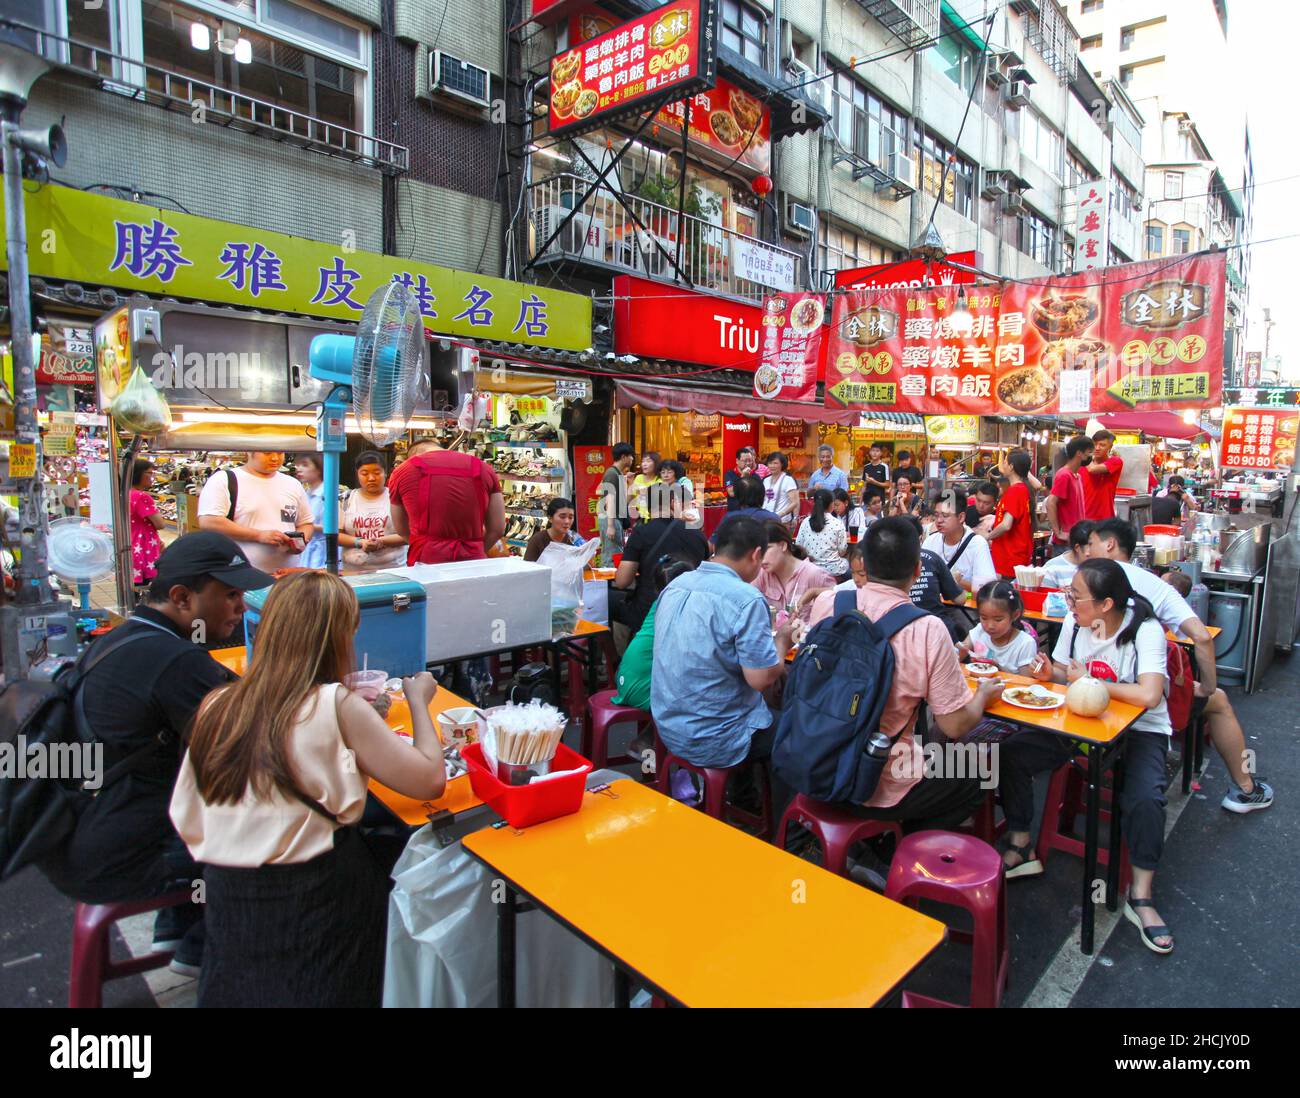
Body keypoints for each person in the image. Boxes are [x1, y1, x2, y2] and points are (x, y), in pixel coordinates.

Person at [170, 571, 447, 1006]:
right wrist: (418, 700)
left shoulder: (218, 704)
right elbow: (430, 779)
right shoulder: (336, 705)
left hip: (228, 893)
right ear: (337, 639)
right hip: (320, 896)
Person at [39, 532, 275, 978]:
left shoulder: (123, 638)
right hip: (117, 858)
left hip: (78, 833)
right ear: (183, 597)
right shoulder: (176, 662)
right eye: (230, 595)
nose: (241, 607)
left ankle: (179, 927)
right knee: (281, 828)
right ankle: (206, 946)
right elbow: (253, 749)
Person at [1002, 561, 1175, 953]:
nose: (1069, 602)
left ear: (1106, 603)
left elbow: (1150, 695)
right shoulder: (1076, 623)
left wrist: (1093, 682)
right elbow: (1065, 672)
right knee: (1012, 751)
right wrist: (1050, 674)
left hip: (1140, 731)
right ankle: (1022, 844)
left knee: (1146, 798)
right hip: (1079, 720)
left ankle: (1142, 895)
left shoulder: (1145, 631)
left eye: (1076, 597)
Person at [804, 517, 1006, 832]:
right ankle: (899, 844)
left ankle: (874, 843)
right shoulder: (927, 629)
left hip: (818, 761)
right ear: (916, 570)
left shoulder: (829, 603)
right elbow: (953, 724)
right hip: (882, 783)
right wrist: (981, 697)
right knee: (978, 768)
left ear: (863, 566)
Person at [1088, 519, 1273, 812]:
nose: (1087, 550)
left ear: (1108, 544)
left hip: (1087, 686)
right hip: (1137, 700)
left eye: (1090, 544)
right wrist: (1208, 687)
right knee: (1219, 700)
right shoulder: (1153, 585)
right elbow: (1201, 636)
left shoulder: (1082, 582)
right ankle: (1246, 789)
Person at [651, 516, 794, 773]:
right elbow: (760, 679)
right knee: (797, 730)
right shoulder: (746, 598)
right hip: (715, 739)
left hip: (667, 726)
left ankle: (740, 792)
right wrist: (782, 642)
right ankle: (778, 810)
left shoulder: (676, 585)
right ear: (756, 555)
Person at [387, 438, 505, 564]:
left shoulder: (402, 471)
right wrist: (477, 549)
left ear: (413, 454)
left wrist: (424, 545)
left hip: (426, 559)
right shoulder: (484, 468)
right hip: (473, 559)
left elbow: (402, 530)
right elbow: (497, 529)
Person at [613, 482, 709, 637]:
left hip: (650, 609)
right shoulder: (696, 533)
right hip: (691, 607)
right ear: (672, 502)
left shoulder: (640, 533)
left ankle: (622, 656)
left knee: (612, 603)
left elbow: (622, 581)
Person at [197, 451, 316, 574]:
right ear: (249, 452)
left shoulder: (293, 484)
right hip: (240, 574)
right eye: (267, 453)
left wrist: (299, 542)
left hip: (286, 576)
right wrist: (258, 535)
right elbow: (209, 521)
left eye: (280, 453)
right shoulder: (224, 480)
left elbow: (306, 523)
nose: (275, 458)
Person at [612, 558, 698, 716]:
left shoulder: (658, 604)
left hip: (626, 680)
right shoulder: (678, 609)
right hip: (642, 688)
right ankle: (655, 737)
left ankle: (651, 735)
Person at [339, 451, 407, 572]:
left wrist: (381, 541)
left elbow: (410, 533)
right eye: (364, 473)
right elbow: (335, 536)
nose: (371, 478)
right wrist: (361, 542)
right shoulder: (345, 499)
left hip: (394, 570)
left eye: (377, 473)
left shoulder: (397, 497)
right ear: (357, 474)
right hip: (354, 572)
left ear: (386, 473)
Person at [755, 519, 836, 621]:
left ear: (783, 546)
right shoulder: (762, 574)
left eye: (766, 549)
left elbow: (833, 618)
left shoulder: (816, 575)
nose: (760, 557)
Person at [958, 580, 1041, 675]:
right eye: (984, 618)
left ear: (1015, 615)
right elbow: (960, 651)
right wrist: (958, 649)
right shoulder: (980, 630)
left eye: (998, 620)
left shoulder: (1025, 643)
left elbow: (1026, 682)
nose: (990, 626)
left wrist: (997, 669)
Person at [924, 488, 997, 593]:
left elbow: (988, 589)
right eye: (936, 515)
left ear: (961, 517)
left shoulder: (977, 544)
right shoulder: (930, 541)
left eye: (945, 516)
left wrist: (959, 582)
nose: (939, 520)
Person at [985, 450, 1035, 578]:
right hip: (1014, 555)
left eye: (1005, 462)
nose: (1003, 466)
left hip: (1010, 556)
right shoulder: (1022, 489)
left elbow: (1006, 525)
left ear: (1012, 467)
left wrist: (987, 537)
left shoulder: (1016, 491)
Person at [1046, 435, 1093, 557]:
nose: (1090, 457)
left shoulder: (1077, 476)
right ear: (1079, 453)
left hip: (1076, 539)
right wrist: (1058, 532)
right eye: (1088, 453)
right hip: (1065, 543)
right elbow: (1050, 502)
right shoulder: (1064, 475)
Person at [796, 488, 849, 579]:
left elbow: (798, 544)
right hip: (833, 569)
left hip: (810, 568)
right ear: (831, 505)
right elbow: (842, 551)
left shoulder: (805, 522)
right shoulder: (837, 523)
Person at [129, 460, 166, 590]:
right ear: (138, 474)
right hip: (145, 550)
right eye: (149, 473)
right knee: (149, 590)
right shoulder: (141, 497)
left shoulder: (126, 495)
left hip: (132, 548)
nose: (152, 477)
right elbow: (160, 523)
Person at [599, 442, 635, 563]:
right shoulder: (612, 473)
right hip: (611, 519)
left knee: (615, 553)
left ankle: (613, 580)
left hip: (615, 519)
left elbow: (625, 501)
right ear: (624, 457)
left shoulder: (618, 474)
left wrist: (631, 483)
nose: (632, 459)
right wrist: (610, 525)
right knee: (611, 555)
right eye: (631, 456)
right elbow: (610, 499)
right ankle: (609, 581)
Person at [292, 454, 329, 569]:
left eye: (305, 465)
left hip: (323, 552)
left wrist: (306, 526)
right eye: (297, 465)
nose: (299, 469)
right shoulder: (305, 493)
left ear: (318, 469)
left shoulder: (327, 494)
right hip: (307, 550)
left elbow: (334, 527)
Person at [524, 496, 586, 562]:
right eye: (562, 517)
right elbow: (528, 568)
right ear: (550, 518)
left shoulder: (574, 540)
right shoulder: (538, 540)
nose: (567, 521)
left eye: (570, 517)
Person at [1081, 429, 1124, 521]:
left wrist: (1084, 455)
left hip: (1105, 519)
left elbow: (1092, 470)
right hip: (1083, 518)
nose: (1097, 448)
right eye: (1095, 444)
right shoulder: (1082, 466)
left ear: (1110, 446)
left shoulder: (1115, 461)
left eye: (1102, 445)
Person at [1041, 519, 1095, 590]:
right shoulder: (1051, 569)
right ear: (1077, 548)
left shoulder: (1100, 565)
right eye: (1091, 547)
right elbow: (1045, 599)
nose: (1097, 553)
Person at [763, 451, 800, 527]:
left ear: (782, 464)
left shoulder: (788, 480)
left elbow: (795, 502)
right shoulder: (765, 480)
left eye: (775, 463)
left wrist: (782, 514)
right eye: (770, 463)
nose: (772, 466)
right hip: (766, 519)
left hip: (782, 521)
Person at [631, 452, 661, 524]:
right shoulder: (638, 478)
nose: (644, 464)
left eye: (648, 461)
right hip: (639, 518)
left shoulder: (660, 481)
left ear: (656, 463)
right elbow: (632, 498)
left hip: (655, 519)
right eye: (643, 461)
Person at [724, 446, 756, 512]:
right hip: (734, 514)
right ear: (737, 461)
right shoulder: (730, 474)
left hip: (750, 513)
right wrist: (743, 477)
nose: (748, 463)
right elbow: (731, 493)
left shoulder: (755, 476)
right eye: (745, 461)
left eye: (750, 460)